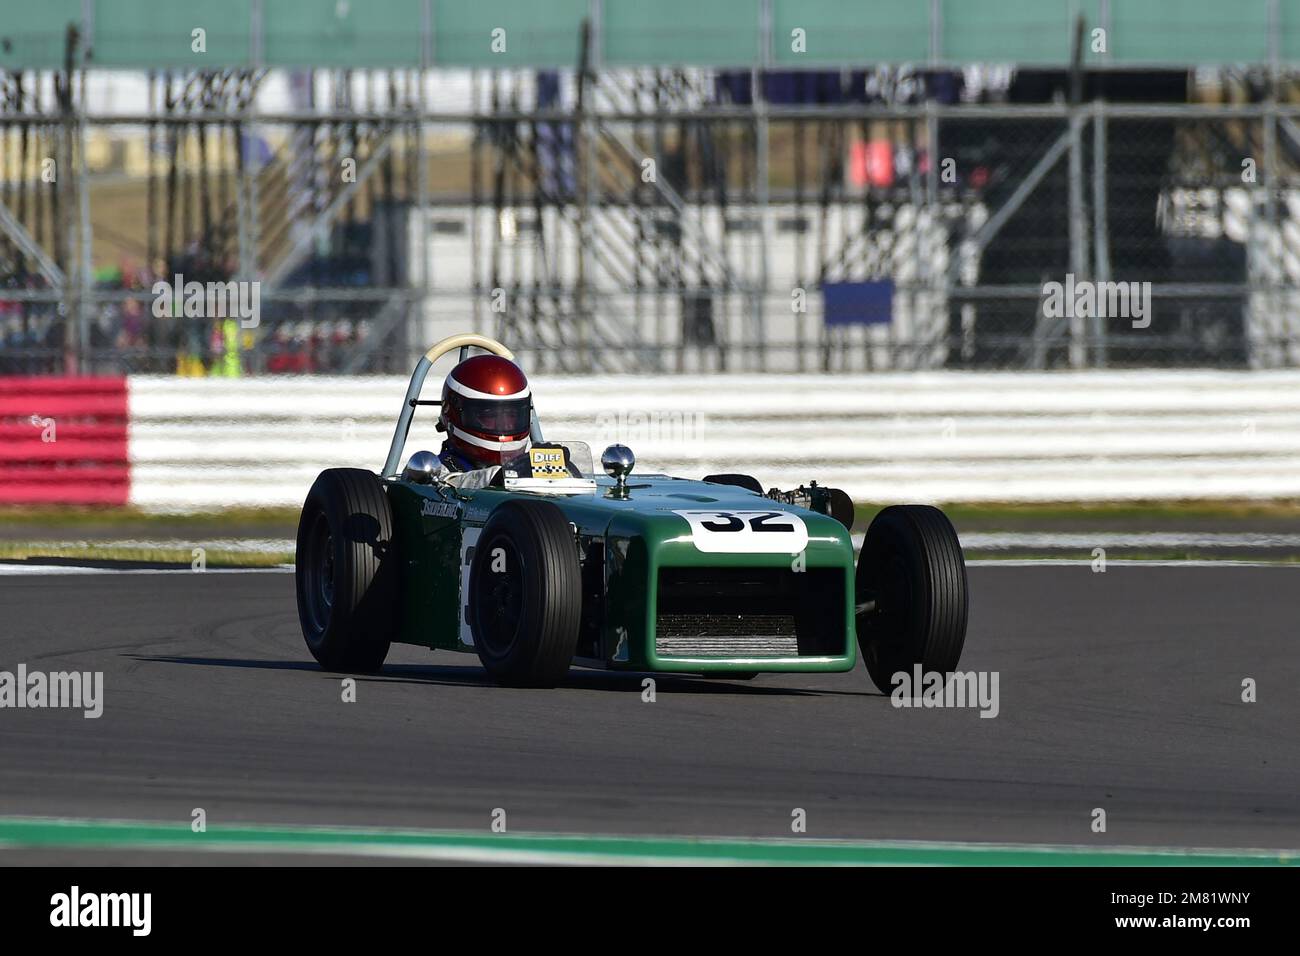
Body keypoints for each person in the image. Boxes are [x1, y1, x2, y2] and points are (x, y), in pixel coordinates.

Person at [437, 354, 533, 472]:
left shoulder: (527, 466)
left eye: (511, 415)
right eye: (490, 416)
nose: (505, 424)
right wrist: (503, 476)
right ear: (454, 415)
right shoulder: (435, 471)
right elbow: (460, 481)